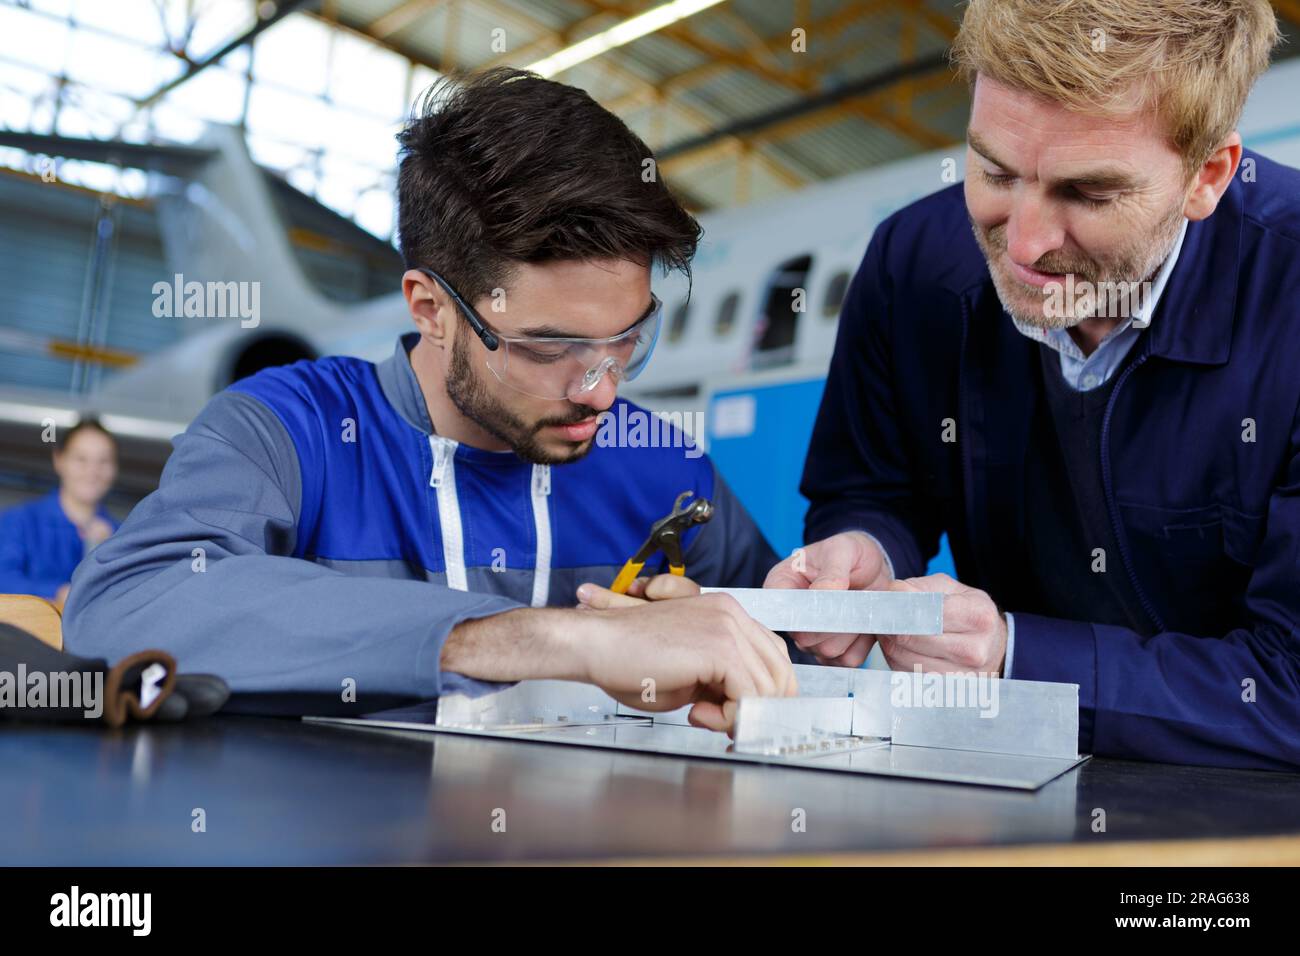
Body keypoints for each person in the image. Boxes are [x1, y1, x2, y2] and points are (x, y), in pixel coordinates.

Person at [63, 68, 797, 730]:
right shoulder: (289, 433)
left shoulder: (665, 469)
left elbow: (786, 643)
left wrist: (841, 608)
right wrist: (552, 639)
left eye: (628, 339)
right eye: (549, 348)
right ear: (430, 308)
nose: (602, 392)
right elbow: (125, 606)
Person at [764, 0, 1300, 769]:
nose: (1023, 244)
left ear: (1206, 175)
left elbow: (1290, 687)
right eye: (994, 171)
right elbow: (876, 488)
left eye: (1088, 194)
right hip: (1019, 782)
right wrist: (865, 553)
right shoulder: (913, 264)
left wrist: (1016, 659)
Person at [0, 418, 118, 605]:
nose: (92, 471)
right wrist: (58, 593)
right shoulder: (19, 522)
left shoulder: (121, 536)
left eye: (103, 461)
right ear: (59, 460)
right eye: (81, 459)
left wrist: (111, 555)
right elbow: (4, 580)